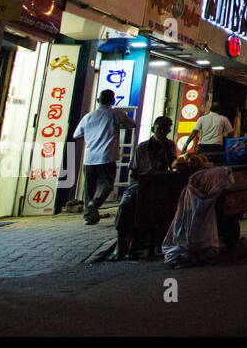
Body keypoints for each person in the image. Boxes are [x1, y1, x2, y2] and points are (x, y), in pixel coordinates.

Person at [115, 115, 178, 258]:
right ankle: (122, 246)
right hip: (140, 184)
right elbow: (134, 172)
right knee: (126, 206)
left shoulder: (170, 146)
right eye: (159, 128)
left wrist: (164, 145)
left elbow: (172, 166)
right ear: (153, 129)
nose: (162, 132)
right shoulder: (142, 147)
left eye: (165, 129)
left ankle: (161, 241)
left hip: (161, 185)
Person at [73, 90, 137, 225]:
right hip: (106, 156)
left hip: (89, 157)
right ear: (113, 101)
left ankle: (89, 217)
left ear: (98, 101)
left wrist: (92, 136)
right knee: (107, 184)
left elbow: (77, 135)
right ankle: (93, 205)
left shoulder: (88, 117)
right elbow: (131, 124)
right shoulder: (115, 113)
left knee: (89, 187)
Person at [184, 101, 233, 166]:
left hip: (203, 147)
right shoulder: (223, 119)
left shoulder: (202, 119)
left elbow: (194, 132)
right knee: (214, 167)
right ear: (219, 110)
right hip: (216, 147)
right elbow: (231, 132)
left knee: (201, 166)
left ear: (210, 109)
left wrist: (186, 145)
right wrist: (225, 140)